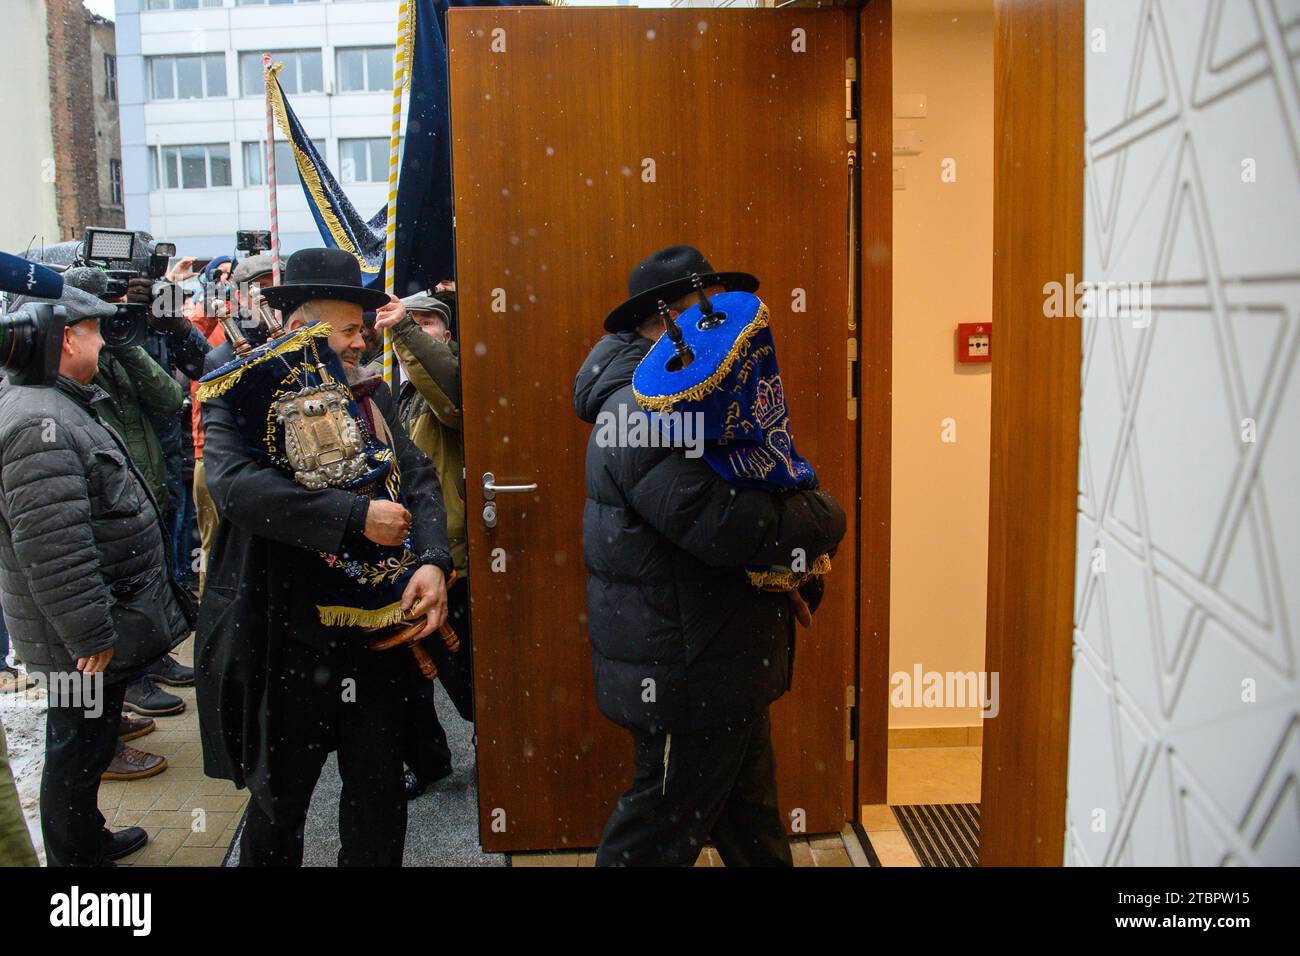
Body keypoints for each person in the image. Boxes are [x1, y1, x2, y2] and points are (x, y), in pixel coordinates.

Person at [574, 245, 846, 867]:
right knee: (659, 829)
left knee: (749, 820)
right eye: (712, 309)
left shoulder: (701, 396)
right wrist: (828, 517)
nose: (728, 322)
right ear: (674, 319)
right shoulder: (639, 412)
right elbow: (726, 524)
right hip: (684, 669)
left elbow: (761, 481)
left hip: (719, 659)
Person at [195, 248, 453, 866]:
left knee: (378, 799)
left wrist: (434, 561)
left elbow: (417, 478)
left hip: (374, 644)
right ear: (297, 328)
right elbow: (235, 489)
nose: (360, 342)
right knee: (279, 807)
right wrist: (353, 518)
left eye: (362, 329)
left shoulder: (372, 396)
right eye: (346, 330)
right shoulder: (239, 392)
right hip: (284, 637)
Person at [0, 285, 192, 865]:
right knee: (77, 749)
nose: (104, 342)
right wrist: (89, 634)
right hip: (74, 643)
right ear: (65, 340)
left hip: (79, 635)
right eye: (95, 332)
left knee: (86, 742)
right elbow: (53, 549)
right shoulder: (39, 422)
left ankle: (85, 839)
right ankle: (77, 865)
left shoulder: (52, 402)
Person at [374, 291, 472, 799]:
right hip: (398, 553)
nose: (415, 328)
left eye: (427, 322)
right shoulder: (389, 387)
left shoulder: (454, 376)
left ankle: (498, 750)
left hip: (449, 557)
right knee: (409, 673)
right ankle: (428, 759)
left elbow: (453, 399)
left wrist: (405, 332)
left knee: (462, 674)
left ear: (447, 334)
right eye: (408, 323)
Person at [191, 253, 274, 593]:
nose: (267, 297)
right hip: (218, 457)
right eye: (259, 288)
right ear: (239, 294)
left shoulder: (298, 337)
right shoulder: (221, 344)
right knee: (218, 549)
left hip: (268, 470)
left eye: (274, 287)